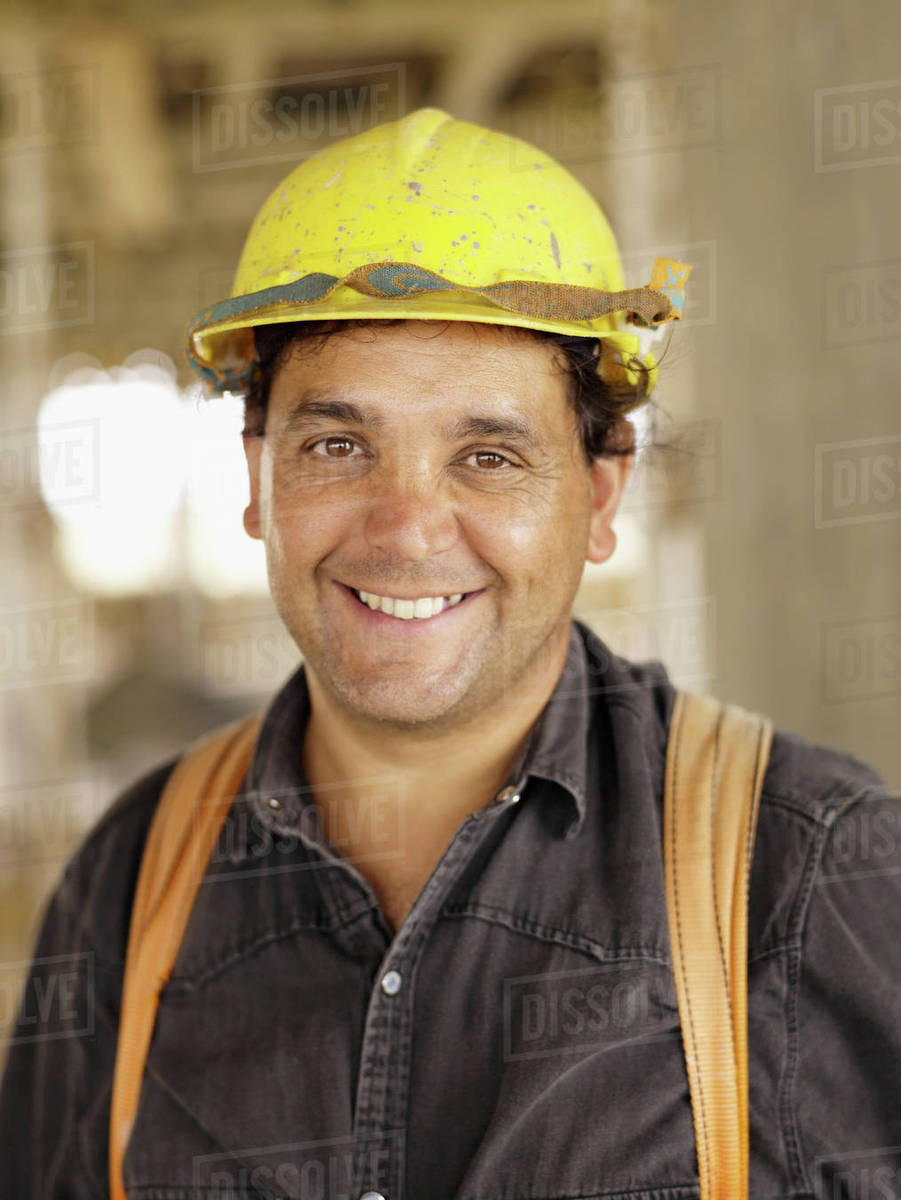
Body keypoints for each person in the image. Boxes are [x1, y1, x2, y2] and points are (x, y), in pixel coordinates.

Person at [2, 107, 899, 1200]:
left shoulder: (809, 872)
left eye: (487, 455)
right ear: (256, 479)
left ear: (600, 494)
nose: (407, 528)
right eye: (338, 447)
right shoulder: (131, 881)